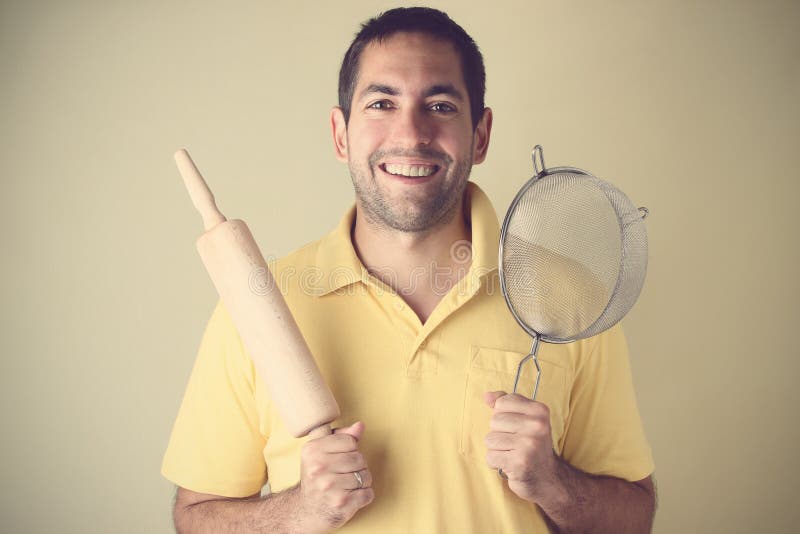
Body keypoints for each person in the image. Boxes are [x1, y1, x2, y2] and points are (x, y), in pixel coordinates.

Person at [162, 7, 656, 533]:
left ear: (481, 135)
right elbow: (195, 518)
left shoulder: (567, 295)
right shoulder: (259, 299)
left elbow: (635, 519)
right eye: (381, 103)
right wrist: (298, 511)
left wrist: (553, 483)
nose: (411, 132)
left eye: (440, 105)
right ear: (340, 133)